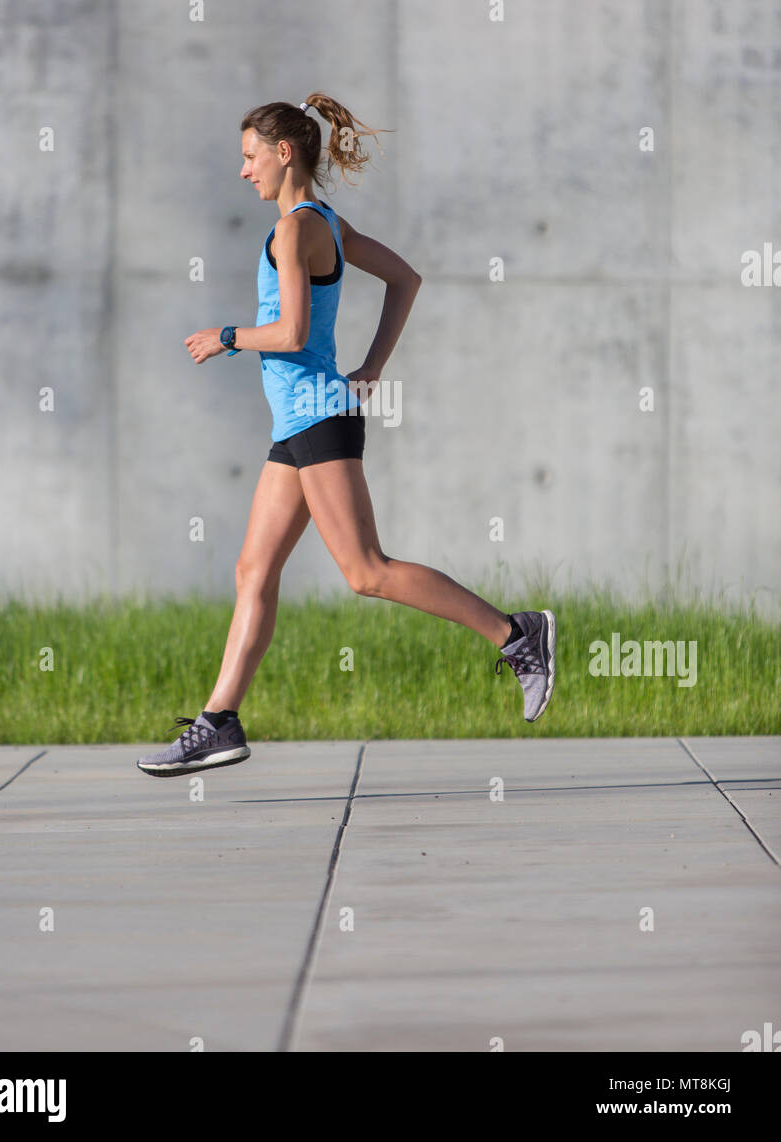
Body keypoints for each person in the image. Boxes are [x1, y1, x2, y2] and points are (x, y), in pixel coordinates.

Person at [137, 95, 555, 776]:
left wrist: (229, 337)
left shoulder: (293, 230)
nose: (243, 172)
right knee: (254, 569)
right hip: (300, 420)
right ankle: (219, 722)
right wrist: (376, 364)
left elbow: (295, 333)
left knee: (366, 571)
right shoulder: (325, 221)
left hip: (317, 418)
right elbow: (405, 278)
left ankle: (517, 634)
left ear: (283, 152)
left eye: (249, 157)